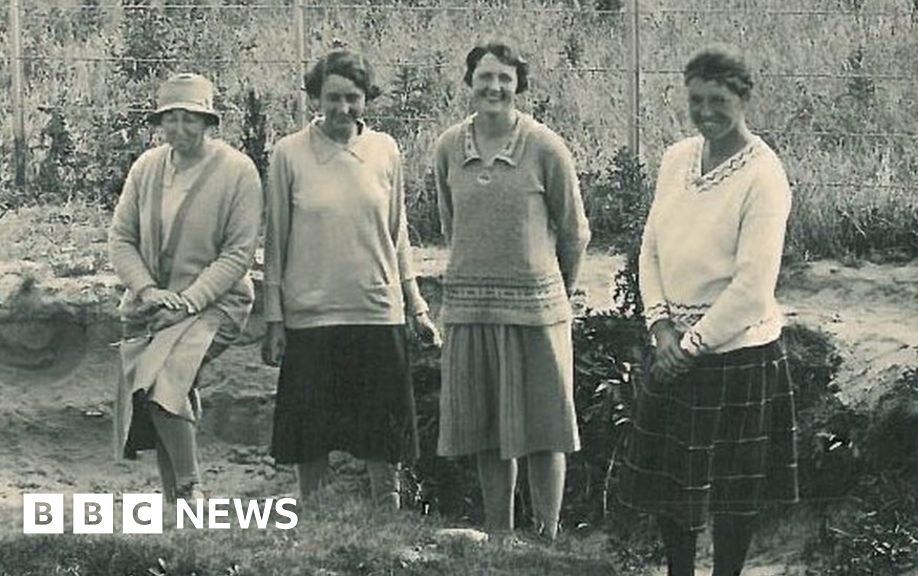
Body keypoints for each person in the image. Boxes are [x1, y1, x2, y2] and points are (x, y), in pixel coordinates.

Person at [620, 44, 799, 576]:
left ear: (743, 99)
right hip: (673, 350)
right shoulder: (677, 159)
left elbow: (753, 287)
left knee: (733, 496)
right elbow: (651, 248)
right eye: (696, 100)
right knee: (674, 488)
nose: (705, 113)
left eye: (718, 101)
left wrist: (690, 345)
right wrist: (660, 328)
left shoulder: (764, 175)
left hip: (738, 355)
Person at [262, 49, 440, 508]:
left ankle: (387, 520)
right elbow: (276, 241)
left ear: (366, 99)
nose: (343, 108)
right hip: (311, 315)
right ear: (316, 98)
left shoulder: (385, 150)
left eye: (353, 98)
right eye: (333, 98)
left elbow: (397, 233)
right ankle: (315, 519)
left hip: (377, 310)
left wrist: (416, 305)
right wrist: (274, 319)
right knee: (310, 434)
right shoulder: (288, 154)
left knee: (384, 434)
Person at [433, 41, 591, 540]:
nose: (494, 87)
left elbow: (575, 232)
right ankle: (498, 538)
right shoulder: (448, 147)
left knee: (544, 432)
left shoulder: (545, 147)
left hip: (537, 314)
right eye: (485, 77)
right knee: (487, 432)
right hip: (471, 310)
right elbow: (450, 225)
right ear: (469, 82)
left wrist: (556, 294)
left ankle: (547, 537)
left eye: (505, 78)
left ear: (519, 84)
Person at [111, 73, 263, 503]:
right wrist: (146, 291)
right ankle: (174, 500)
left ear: (209, 122)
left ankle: (190, 487)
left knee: (165, 378)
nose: (179, 129)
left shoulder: (237, 172)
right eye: (171, 119)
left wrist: (189, 302)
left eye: (190, 119)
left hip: (216, 303)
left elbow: (238, 253)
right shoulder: (147, 168)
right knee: (158, 388)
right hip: (153, 304)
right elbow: (121, 238)